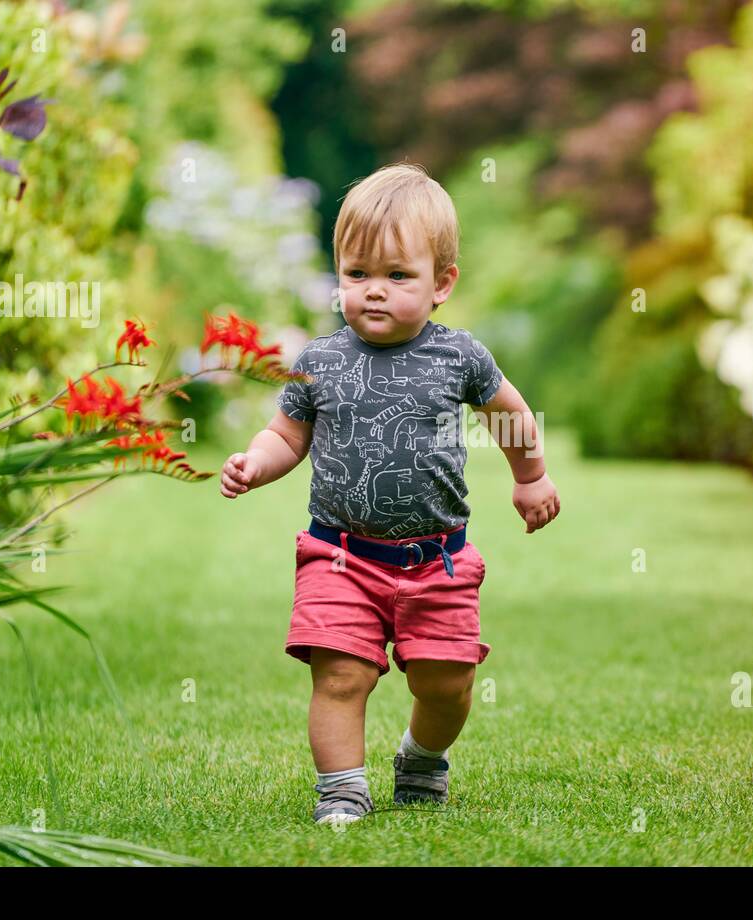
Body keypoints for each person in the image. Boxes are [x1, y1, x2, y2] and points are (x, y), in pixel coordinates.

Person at [220, 162, 560, 824]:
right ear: (338, 274)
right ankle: (342, 788)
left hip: (438, 561)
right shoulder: (319, 361)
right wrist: (253, 464)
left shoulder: (459, 356)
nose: (374, 291)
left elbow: (512, 416)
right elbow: (286, 436)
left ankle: (422, 756)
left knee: (446, 680)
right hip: (339, 556)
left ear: (442, 283)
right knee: (340, 675)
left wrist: (532, 477)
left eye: (397, 276)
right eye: (357, 273)